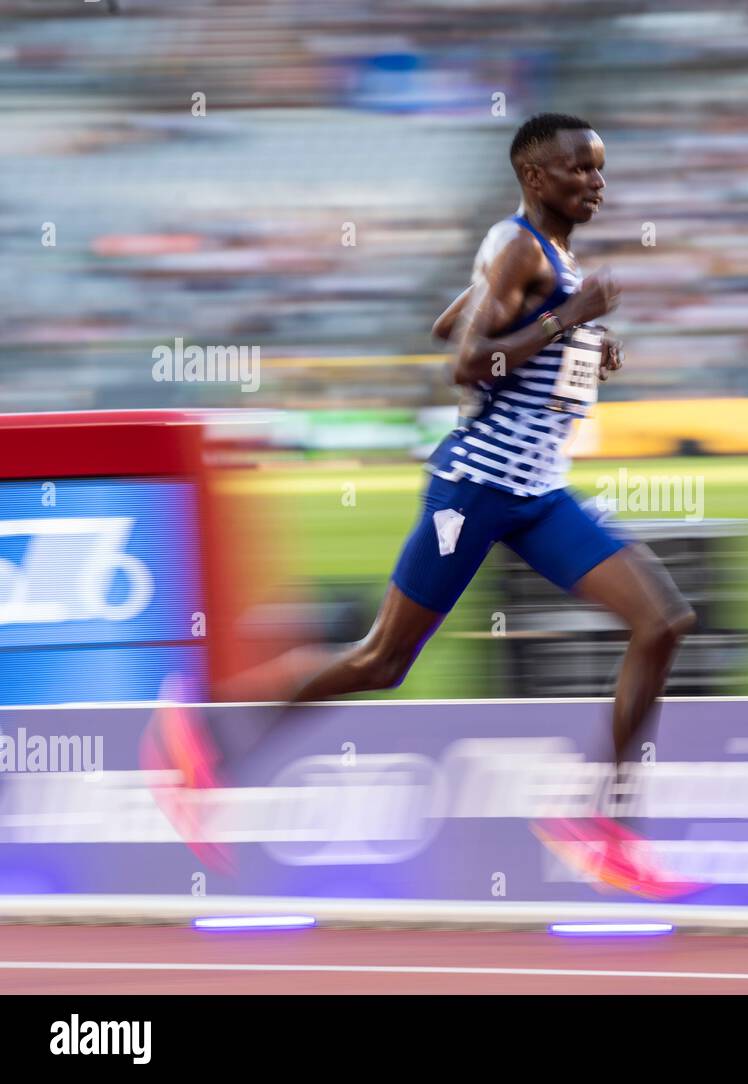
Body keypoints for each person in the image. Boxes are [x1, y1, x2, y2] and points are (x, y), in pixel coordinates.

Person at [144, 114, 697, 894]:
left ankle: (598, 820)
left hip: (537, 493)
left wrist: (573, 345)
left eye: (602, 170)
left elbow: (456, 320)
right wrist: (571, 321)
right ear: (536, 177)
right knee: (381, 660)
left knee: (663, 619)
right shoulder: (516, 246)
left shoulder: (548, 260)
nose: (596, 184)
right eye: (580, 169)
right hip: (473, 489)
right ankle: (204, 730)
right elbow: (466, 364)